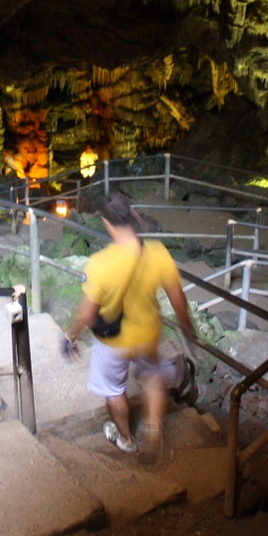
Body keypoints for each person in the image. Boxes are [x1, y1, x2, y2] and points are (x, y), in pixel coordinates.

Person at [62, 191, 198, 460]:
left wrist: (72, 336)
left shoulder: (100, 264)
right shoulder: (158, 252)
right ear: (132, 217)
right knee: (153, 378)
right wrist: (189, 330)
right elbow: (178, 299)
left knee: (114, 391)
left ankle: (126, 440)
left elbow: (87, 313)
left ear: (107, 223)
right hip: (148, 334)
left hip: (115, 343)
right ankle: (155, 435)